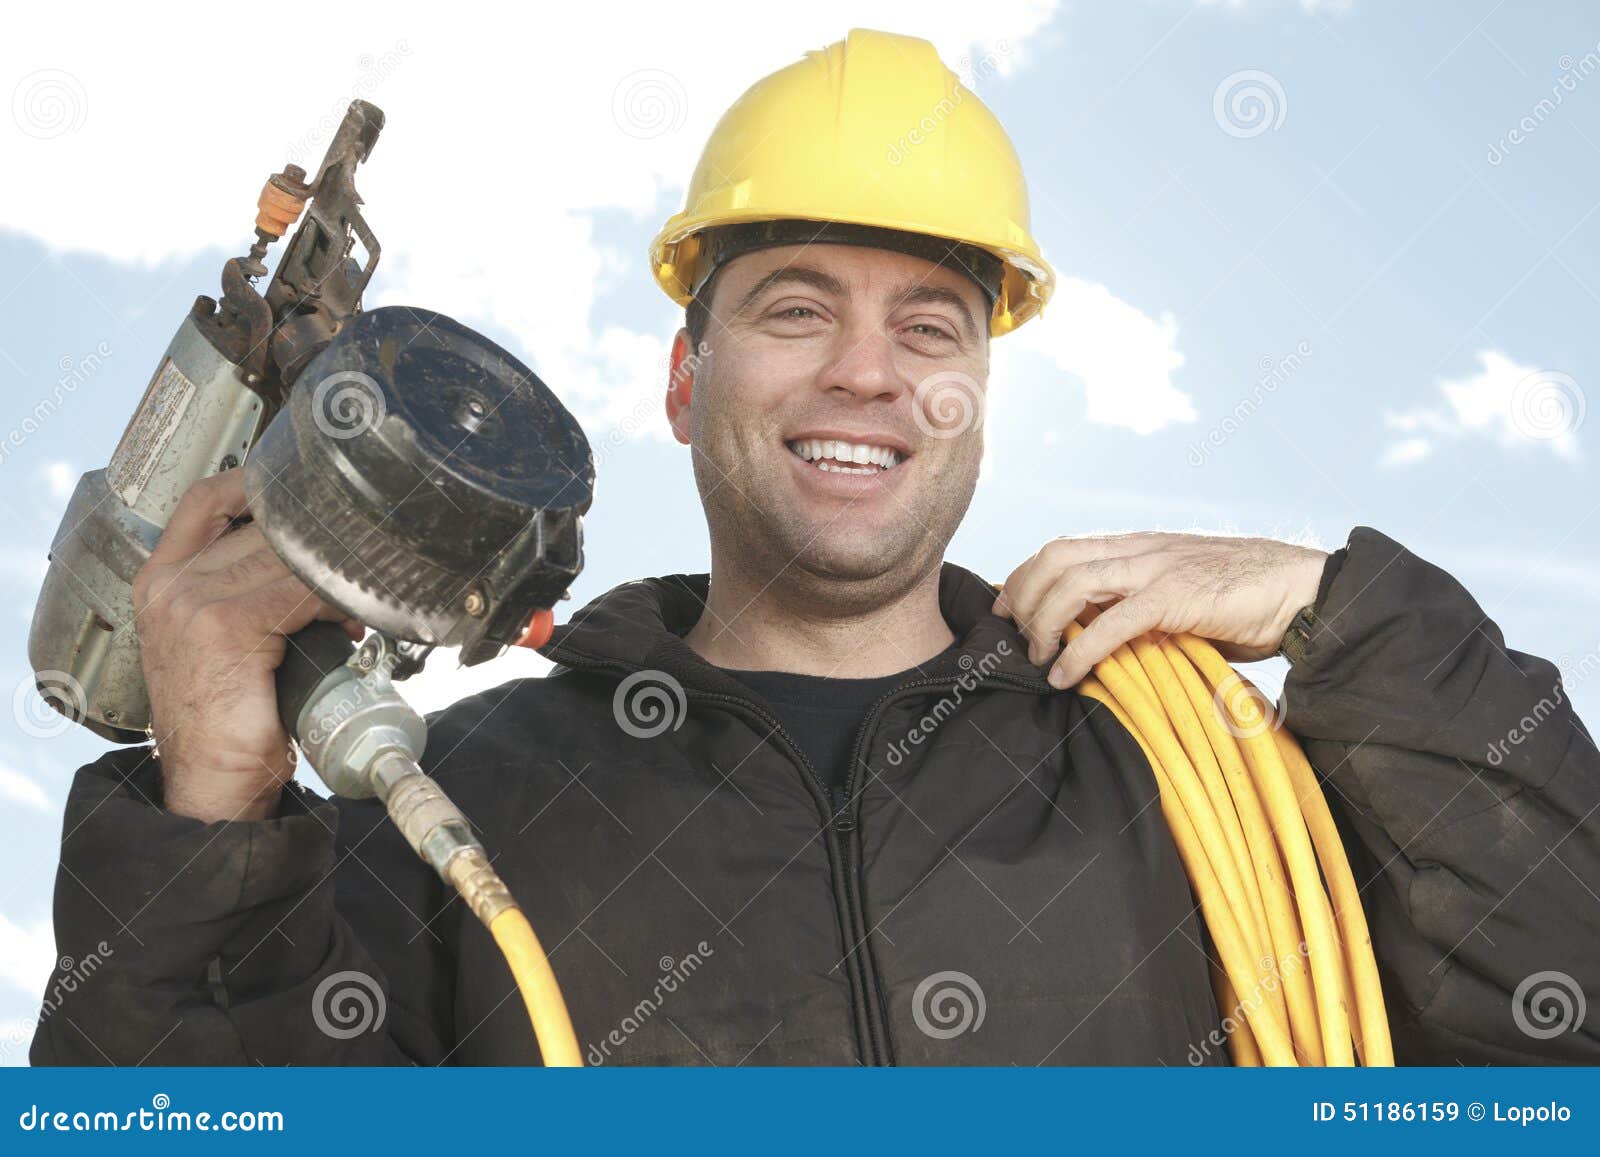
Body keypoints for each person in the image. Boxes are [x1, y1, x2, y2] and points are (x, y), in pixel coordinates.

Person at [33, 29, 1599, 1067]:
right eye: (794, 309)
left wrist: (1345, 618)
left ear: (973, 400)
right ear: (680, 376)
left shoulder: (1182, 783)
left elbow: (1563, 1019)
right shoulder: (467, 812)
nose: (866, 371)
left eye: (930, 324)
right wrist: (210, 814)